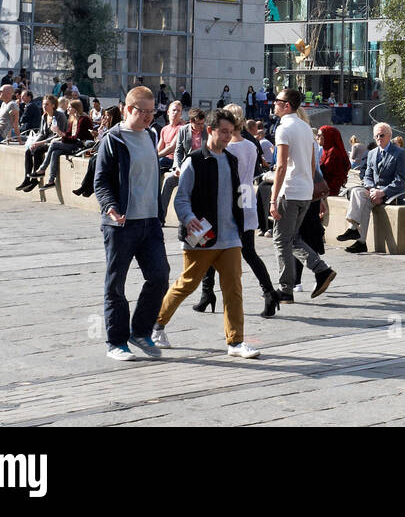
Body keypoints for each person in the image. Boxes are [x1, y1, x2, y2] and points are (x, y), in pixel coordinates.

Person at [152, 109, 260, 358]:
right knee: (186, 285)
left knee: (234, 288)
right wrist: (189, 219)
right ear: (210, 130)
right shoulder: (194, 161)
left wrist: (246, 221)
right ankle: (156, 324)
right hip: (201, 236)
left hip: (230, 236)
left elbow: (237, 194)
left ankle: (235, 342)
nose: (227, 137)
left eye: (230, 132)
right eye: (223, 132)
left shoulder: (231, 159)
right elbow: (181, 198)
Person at [95, 86, 170, 361]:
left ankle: (140, 331)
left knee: (160, 276)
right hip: (121, 224)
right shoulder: (113, 139)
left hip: (150, 222)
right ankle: (116, 342)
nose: (150, 118)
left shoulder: (151, 135)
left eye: (153, 112)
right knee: (116, 283)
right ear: (128, 109)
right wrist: (111, 207)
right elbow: (101, 181)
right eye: (144, 112)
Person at [193, 105, 281, 320]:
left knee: (210, 246)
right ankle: (269, 292)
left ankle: (207, 293)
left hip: (229, 198)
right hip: (247, 195)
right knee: (248, 251)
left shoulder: (227, 148)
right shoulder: (251, 145)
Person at [269, 87, 335, 300]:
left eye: (277, 101)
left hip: (290, 190)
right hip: (306, 191)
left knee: (281, 240)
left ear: (286, 105)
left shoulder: (283, 129)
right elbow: (312, 162)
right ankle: (321, 270)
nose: (274, 103)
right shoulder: (306, 128)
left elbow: (280, 166)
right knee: (292, 238)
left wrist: (273, 199)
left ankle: (286, 288)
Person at [338, 122, 405, 253]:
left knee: (363, 202)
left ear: (389, 136)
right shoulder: (372, 153)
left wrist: (382, 192)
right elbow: (367, 176)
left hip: (390, 194)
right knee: (356, 192)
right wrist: (371, 190)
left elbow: (400, 180)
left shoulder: (399, 153)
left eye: (381, 135)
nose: (378, 139)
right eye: (376, 136)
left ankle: (359, 239)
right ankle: (354, 230)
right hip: (373, 192)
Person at [38, 98, 93, 191]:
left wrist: (60, 133)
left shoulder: (83, 119)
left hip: (80, 146)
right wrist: (59, 134)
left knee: (54, 145)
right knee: (55, 152)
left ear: (75, 109)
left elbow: (76, 138)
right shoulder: (73, 119)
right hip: (73, 144)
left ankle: (42, 169)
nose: (67, 109)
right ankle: (51, 181)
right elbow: (68, 134)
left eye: (69, 108)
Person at [18, 95, 66, 190]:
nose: (44, 106)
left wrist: (39, 143)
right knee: (28, 151)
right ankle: (27, 179)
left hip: (55, 142)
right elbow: (42, 133)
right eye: (44, 104)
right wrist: (35, 142)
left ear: (53, 105)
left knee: (38, 151)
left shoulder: (60, 116)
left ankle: (36, 178)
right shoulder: (44, 116)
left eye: (47, 104)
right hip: (45, 141)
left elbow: (57, 135)